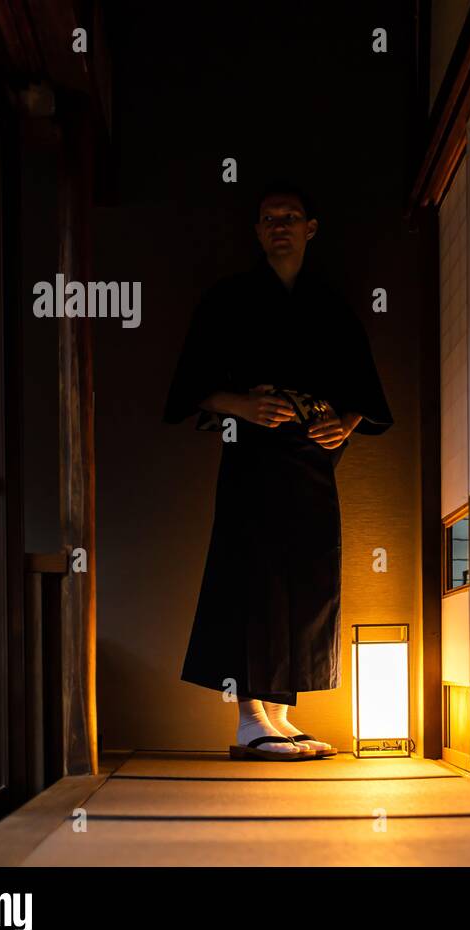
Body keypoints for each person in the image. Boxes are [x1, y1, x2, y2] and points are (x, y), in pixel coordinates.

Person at [162, 182, 392, 760]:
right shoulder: (228, 299)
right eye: (267, 219)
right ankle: (247, 719)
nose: (278, 226)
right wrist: (240, 405)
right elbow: (190, 385)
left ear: (311, 227)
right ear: (258, 231)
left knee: (311, 577)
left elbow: (362, 385)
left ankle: (282, 716)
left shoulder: (331, 305)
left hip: (314, 458)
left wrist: (347, 421)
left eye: (290, 216)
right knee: (251, 574)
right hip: (253, 454)